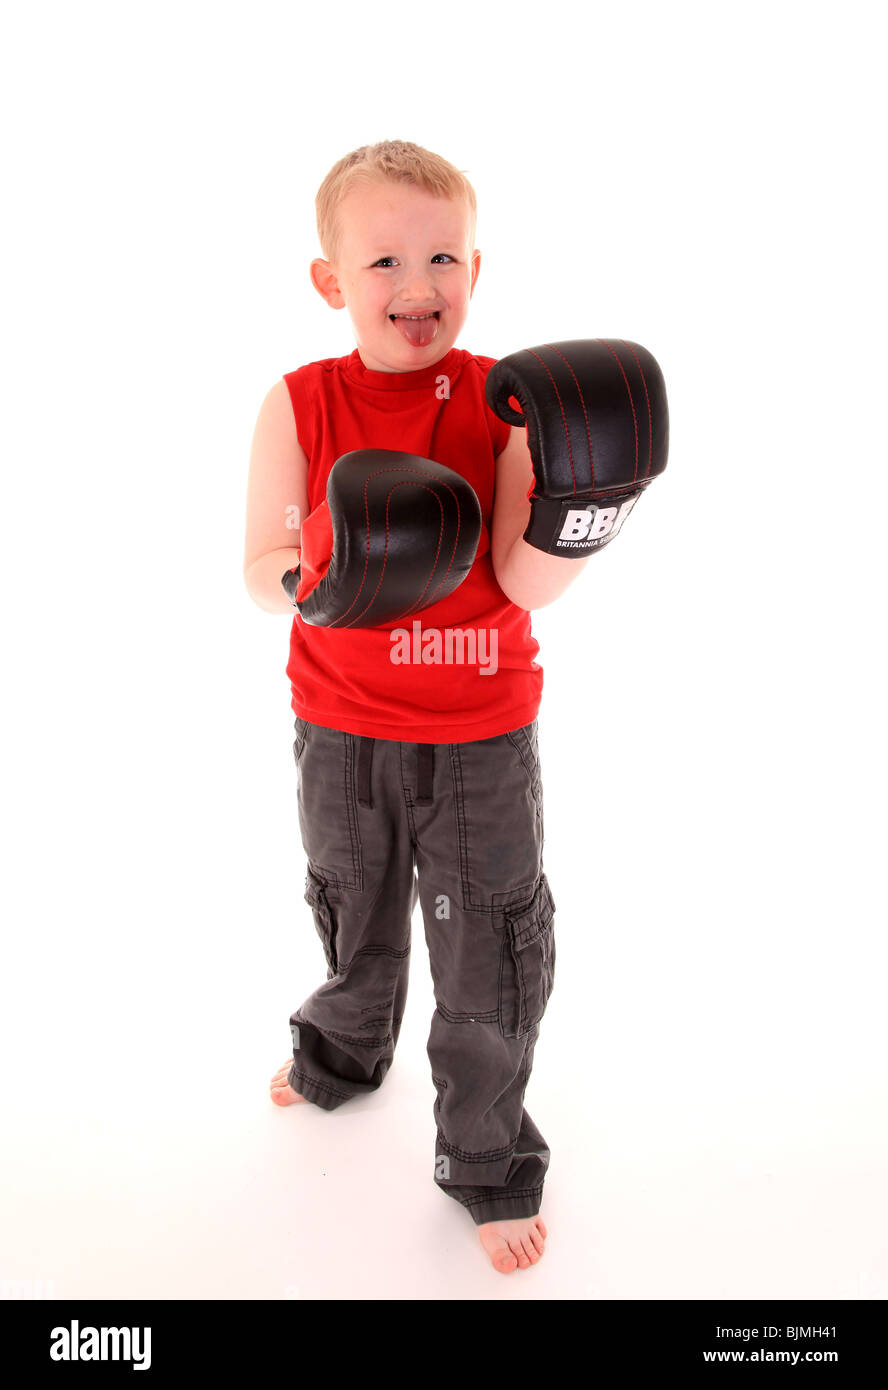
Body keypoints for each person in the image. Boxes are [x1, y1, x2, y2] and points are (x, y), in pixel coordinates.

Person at [243, 140, 666, 1274]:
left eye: (442, 255)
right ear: (332, 280)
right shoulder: (297, 403)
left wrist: (585, 513)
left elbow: (526, 582)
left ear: (477, 266)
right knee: (352, 910)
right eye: (384, 259)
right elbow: (257, 565)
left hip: (481, 736)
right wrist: (320, 583)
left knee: (487, 951)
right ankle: (342, 1049)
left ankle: (485, 1158)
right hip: (338, 725)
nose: (417, 283)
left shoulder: (506, 403)